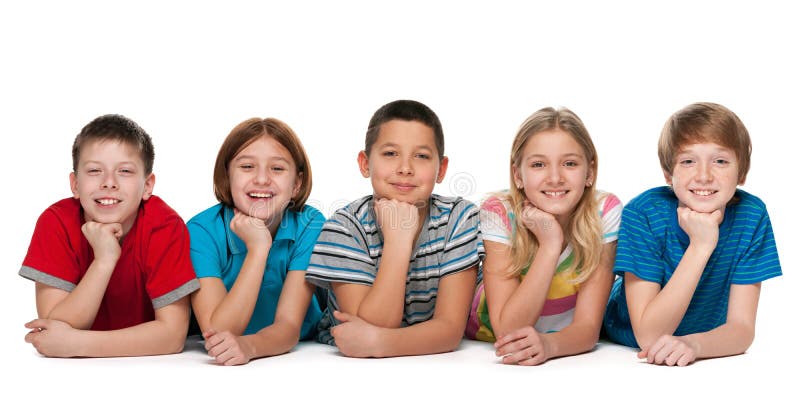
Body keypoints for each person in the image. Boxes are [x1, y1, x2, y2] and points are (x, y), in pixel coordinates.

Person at [603, 102, 782, 366]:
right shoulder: (642, 213)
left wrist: (694, 344)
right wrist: (700, 246)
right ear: (668, 172)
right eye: (688, 161)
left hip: (699, 332)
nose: (704, 176)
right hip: (625, 329)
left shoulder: (752, 215)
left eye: (720, 161)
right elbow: (649, 336)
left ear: (741, 172)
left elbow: (742, 329)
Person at [306, 99, 484, 357]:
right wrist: (398, 241)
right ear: (365, 163)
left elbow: (449, 330)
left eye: (421, 156)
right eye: (390, 153)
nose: (405, 168)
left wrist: (380, 342)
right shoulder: (344, 227)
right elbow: (370, 327)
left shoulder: (460, 218)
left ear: (441, 169)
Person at [21, 114, 199, 357]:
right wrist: (104, 260)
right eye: (94, 170)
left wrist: (78, 344)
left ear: (147, 186)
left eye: (125, 171)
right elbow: (55, 326)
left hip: (151, 368)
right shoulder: (55, 222)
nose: (109, 182)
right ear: (75, 184)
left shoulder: (165, 226)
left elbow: (173, 336)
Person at [464, 107, 621, 365]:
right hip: (484, 328)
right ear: (518, 175)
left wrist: (550, 345)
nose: (555, 178)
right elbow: (508, 330)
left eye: (570, 163)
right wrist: (550, 244)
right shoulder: (498, 212)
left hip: (563, 335)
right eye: (538, 165)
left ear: (590, 172)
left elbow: (588, 327)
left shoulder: (604, 212)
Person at [187, 117, 324, 366]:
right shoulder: (201, 231)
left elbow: (289, 326)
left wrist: (249, 346)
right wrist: (258, 250)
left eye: (278, 169)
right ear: (227, 177)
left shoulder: (310, 224)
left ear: (297, 184)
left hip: (303, 350)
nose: (262, 179)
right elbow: (218, 331)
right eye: (247, 166)